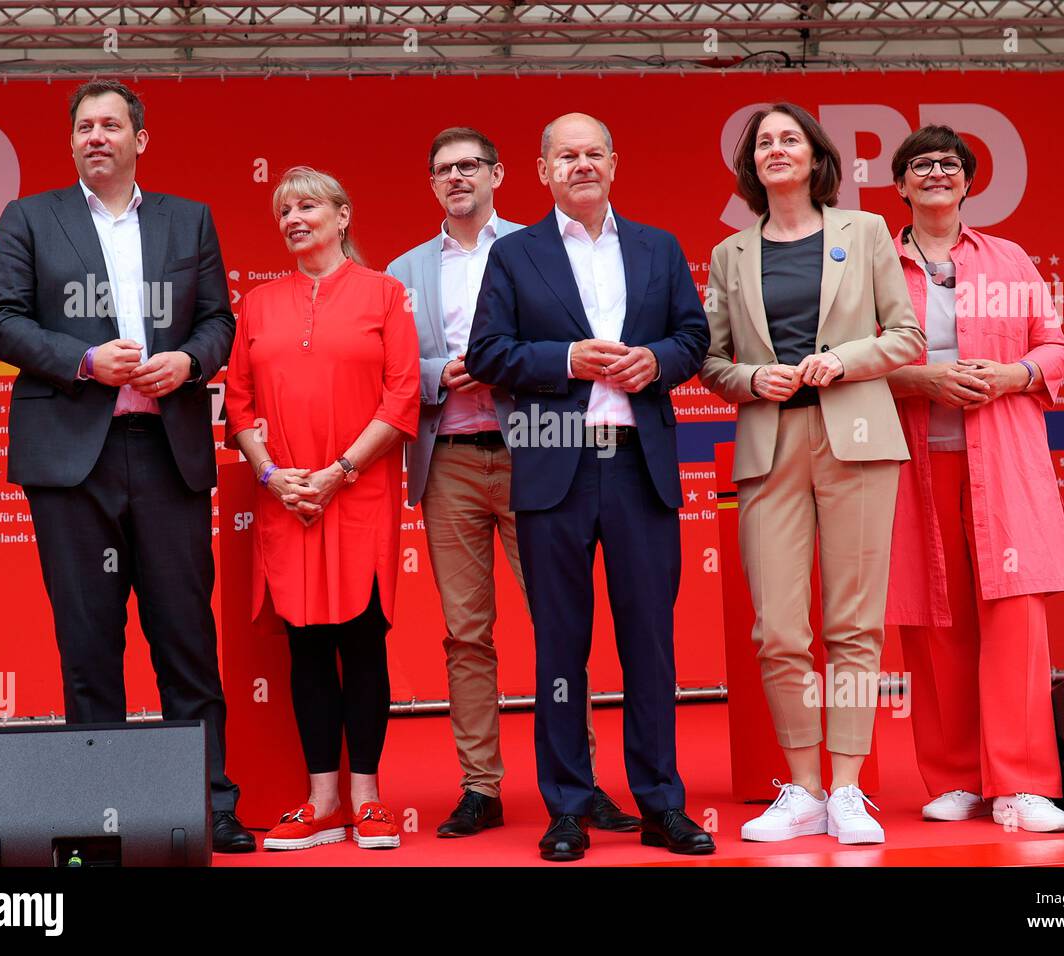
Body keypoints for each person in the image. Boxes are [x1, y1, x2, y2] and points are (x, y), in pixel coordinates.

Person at [0, 79, 254, 852]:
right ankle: (103, 812)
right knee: (89, 642)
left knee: (186, 639)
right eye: (84, 127)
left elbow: (218, 322)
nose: (96, 136)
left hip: (166, 453)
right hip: (72, 461)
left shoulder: (187, 219)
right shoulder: (30, 217)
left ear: (141, 138)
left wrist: (188, 365)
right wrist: (85, 360)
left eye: (111, 124)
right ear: (70, 144)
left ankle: (208, 803)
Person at [466, 112, 714, 862]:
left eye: (592, 153)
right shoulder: (514, 254)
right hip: (554, 464)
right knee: (560, 648)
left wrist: (658, 361)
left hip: (639, 465)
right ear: (542, 171)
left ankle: (661, 803)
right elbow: (488, 352)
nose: (580, 165)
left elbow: (694, 337)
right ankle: (567, 807)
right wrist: (566, 358)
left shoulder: (658, 246)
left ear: (615, 161)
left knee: (651, 643)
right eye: (564, 156)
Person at [386, 127, 639, 838]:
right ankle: (480, 786)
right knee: (467, 634)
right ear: (432, 184)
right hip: (452, 461)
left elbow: (565, 344)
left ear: (500, 173)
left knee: (562, 626)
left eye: (470, 165)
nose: (457, 177)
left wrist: (506, 363)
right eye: (444, 170)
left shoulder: (538, 250)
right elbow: (394, 372)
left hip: (540, 453)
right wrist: (440, 374)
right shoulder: (404, 271)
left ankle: (581, 782)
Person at [699, 102, 924, 845]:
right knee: (778, 629)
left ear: (816, 155)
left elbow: (907, 335)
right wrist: (747, 379)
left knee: (855, 623)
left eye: (788, 139)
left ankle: (849, 787)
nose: (775, 150)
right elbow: (710, 358)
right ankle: (800, 788)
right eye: (763, 143)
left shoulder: (862, 233)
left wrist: (846, 359)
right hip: (769, 442)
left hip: (857, 434)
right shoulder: (731, 253)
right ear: (751, 166)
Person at [884, 125, 1064, 832]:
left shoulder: (1009, 259)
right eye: (920, 165)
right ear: (901, 184)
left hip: (1002, 456)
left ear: (968, 182)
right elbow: (851, 358)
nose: (936, 174)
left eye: (950, 165)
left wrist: (1015, 374)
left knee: (1015, 615)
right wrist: (918, 378)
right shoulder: (877, 263)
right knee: (933, 621)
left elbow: (1054, 347)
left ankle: (1023, 784)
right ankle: (956, 777)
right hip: (910, 462)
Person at [224, 166, 420, 851]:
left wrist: (339, 472)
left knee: (362, 640)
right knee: (306, 646)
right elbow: (239, 405)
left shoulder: (388, 295)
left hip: (358, 492)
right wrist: (275, 476)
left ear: (342, 216)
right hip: (287, 498)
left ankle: (367, 799)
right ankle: (322, 801)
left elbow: (402, 401)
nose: (293, 219)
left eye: (306, 206)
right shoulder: (256, 303)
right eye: (284, 211)